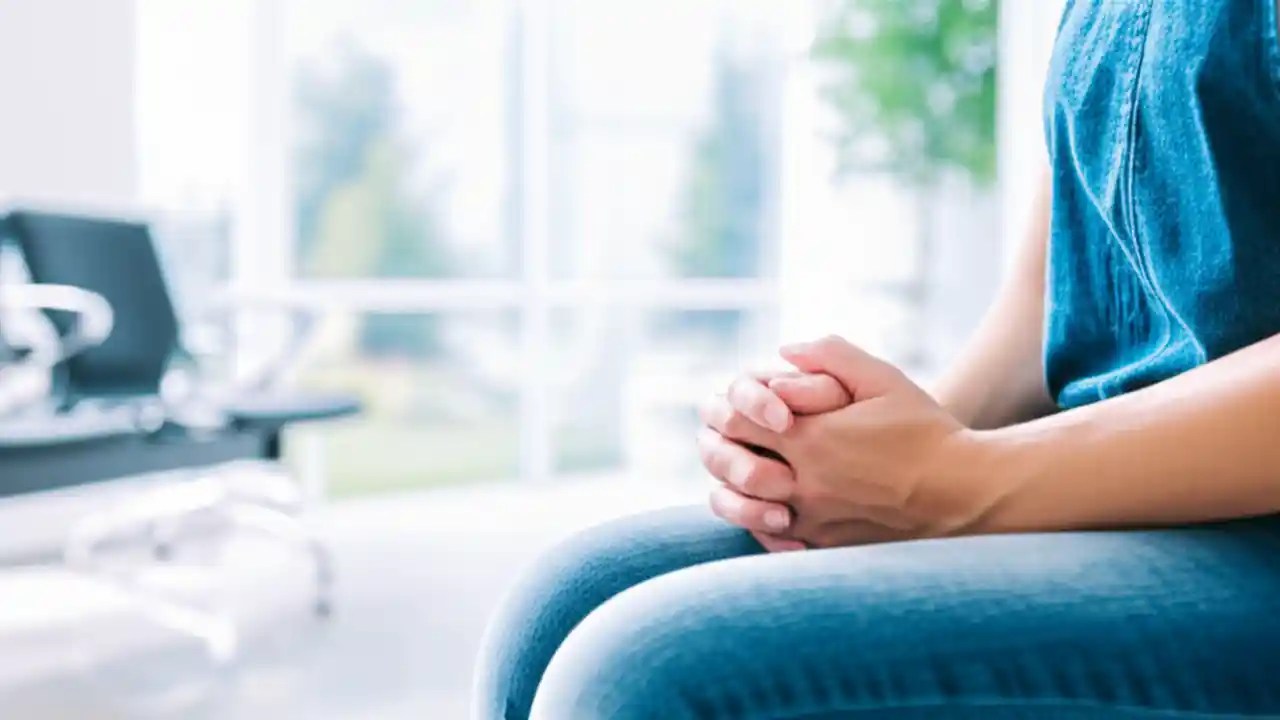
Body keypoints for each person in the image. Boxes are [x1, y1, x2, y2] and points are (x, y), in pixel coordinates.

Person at [474, 1, 1280, 717]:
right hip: (1109, 505)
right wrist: (855, 455)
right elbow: (1053, 301)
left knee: (643, 674)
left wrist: (958, 482)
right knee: (562, 604)